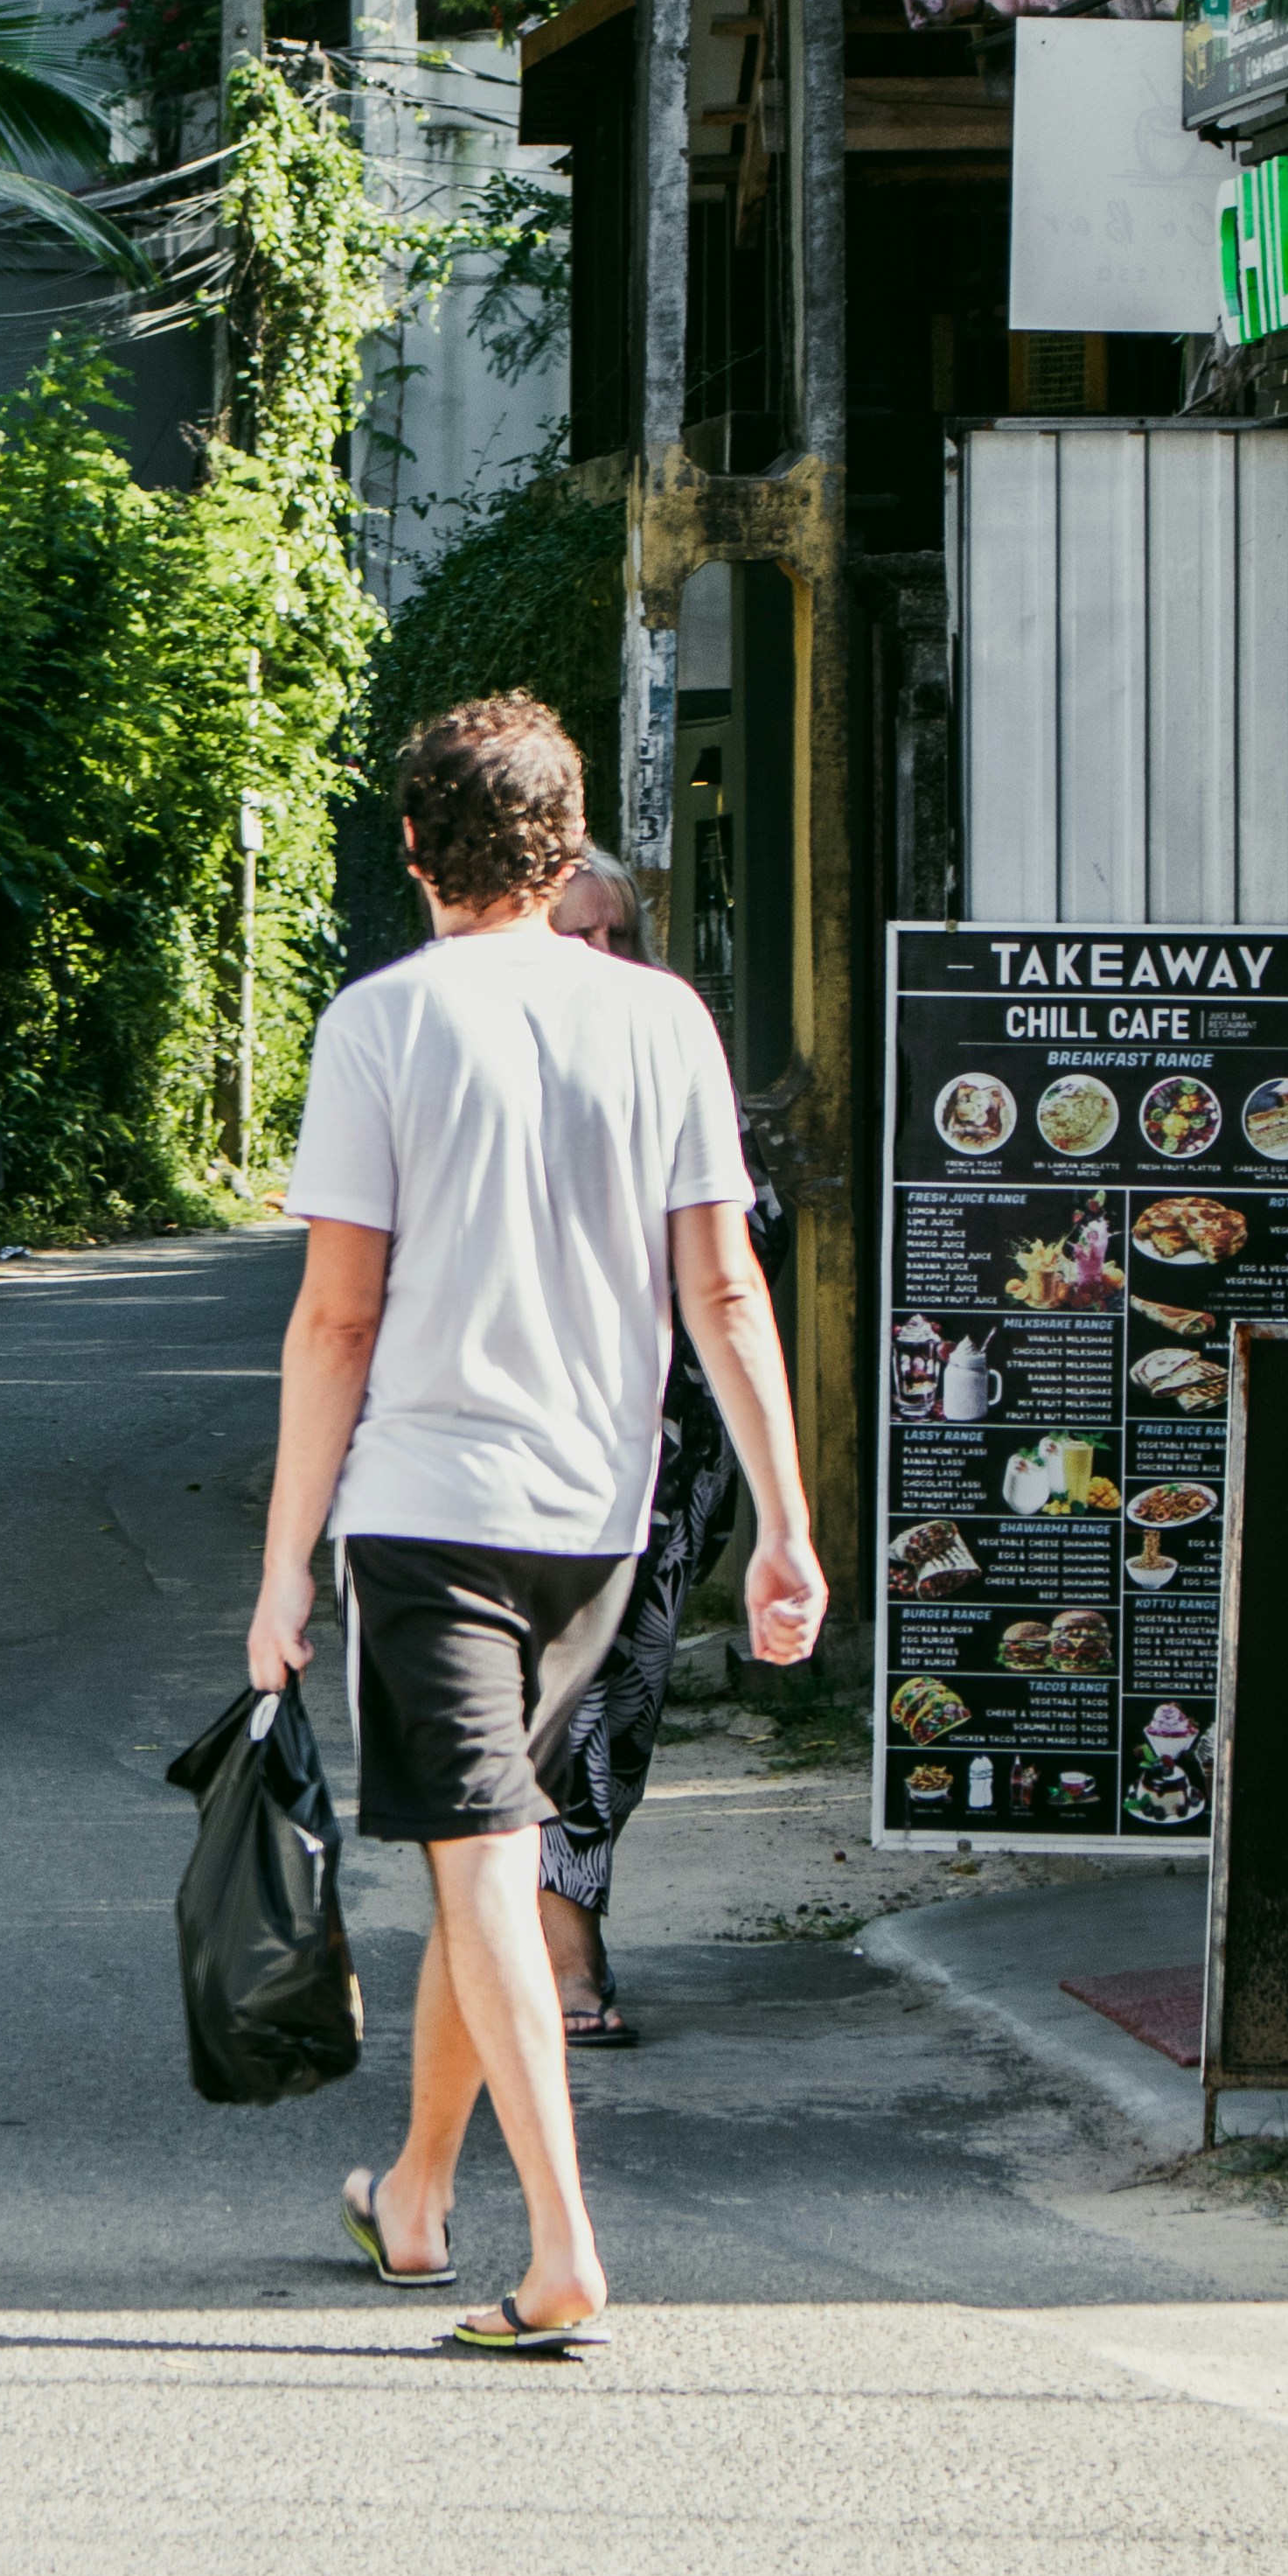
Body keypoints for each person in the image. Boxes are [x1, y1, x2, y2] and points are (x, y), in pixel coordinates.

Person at [251, 698, 828, 2356]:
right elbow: (722, 1287)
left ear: (416, 849)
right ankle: (419, 2193)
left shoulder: (380, 1022)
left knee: (486, 1857)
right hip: (603, 1518)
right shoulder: (665, 1024)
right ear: (565, 848)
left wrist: (286, 1564)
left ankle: (565, 2246)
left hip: (433, 1514)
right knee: (484, 1853)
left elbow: (336, 1324)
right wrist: (782, 1523)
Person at [534, 848, 755, 2056]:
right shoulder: (470, 1063)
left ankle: (557, 1908)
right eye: (581, 938)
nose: (606, 961)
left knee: (621, 1708)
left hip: (667, 1461)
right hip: (521, 1456)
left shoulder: (676, 1054)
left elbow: (734, 1269)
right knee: (557, 1698)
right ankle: (563, 1937)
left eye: (623, 937)